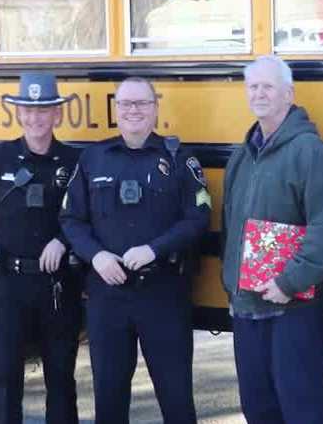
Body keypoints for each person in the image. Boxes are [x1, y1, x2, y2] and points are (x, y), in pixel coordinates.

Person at [60, 77, 211, 424]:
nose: (134, 111)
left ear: (156, 108)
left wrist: (155, 250)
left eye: (142, 103)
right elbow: (70, 218)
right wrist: (95, 256)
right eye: (126, 104)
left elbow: (199, 217)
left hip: (163, 294)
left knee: (176, 400)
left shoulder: (179, 160)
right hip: (106, 295)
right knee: (109, 400)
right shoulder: (93, 158)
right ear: (116, 110)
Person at [222, 56, 323, 424]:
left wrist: (289, 281)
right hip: (247, 305)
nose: (259, 93)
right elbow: (231, 227)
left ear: (288, 94)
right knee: (258, 408)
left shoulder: (310, 152)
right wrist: (231, 285)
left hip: (293, 308)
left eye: (268, 86)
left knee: (302, 407)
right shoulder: (242, 156)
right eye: (253, 86)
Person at [0, 72, 82, 424]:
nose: (35, 118)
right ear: (18, 114)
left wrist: (63, 242)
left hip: (57, 286)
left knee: (60, 376)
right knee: (4, 376)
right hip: (9, 285)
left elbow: (88, 218)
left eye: (44, 110)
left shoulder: (74, 163)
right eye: (28, 110)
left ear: (57, 115)